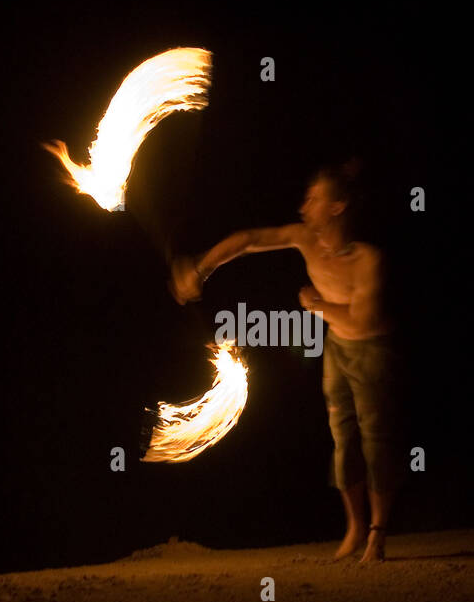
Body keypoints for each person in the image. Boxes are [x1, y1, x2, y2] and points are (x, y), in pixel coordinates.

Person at [168, 158, 403, 562]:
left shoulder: (368, 259)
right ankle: (355, 528)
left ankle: (379, 532)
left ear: (337, 207)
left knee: (376, 442)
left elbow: (362, 320)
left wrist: (316, 304)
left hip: (374, 355)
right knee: (342, 441)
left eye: (313, 199)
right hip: (338, 350)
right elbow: (249, 240)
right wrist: (202, 268)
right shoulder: (305, 238)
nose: (302, 207)